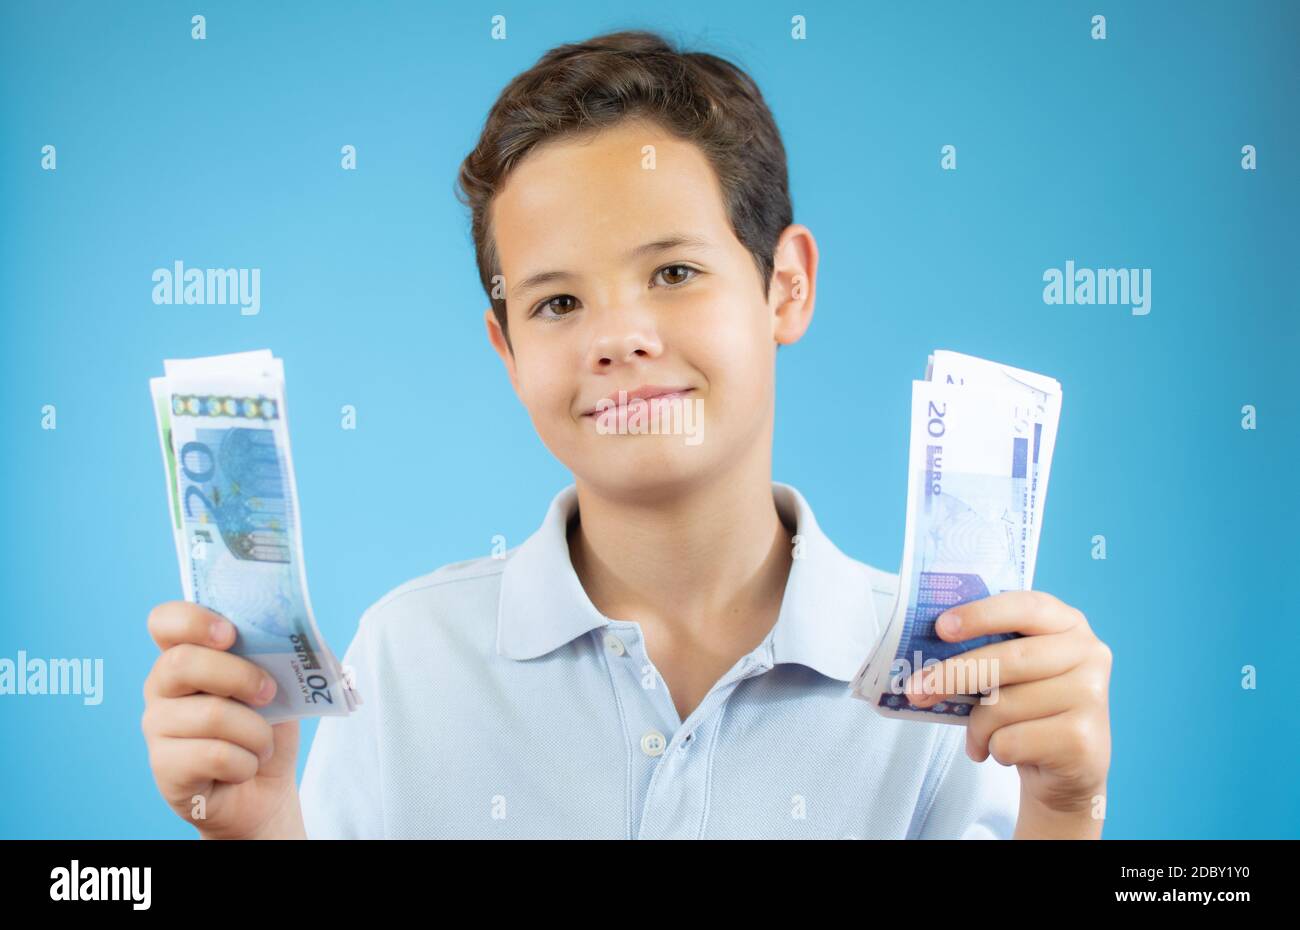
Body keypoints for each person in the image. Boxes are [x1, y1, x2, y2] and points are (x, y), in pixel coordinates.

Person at [141, 29, 1112, 839]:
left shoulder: (946, 686)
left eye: (674, 273)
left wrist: (1063, 813)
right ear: (507, 346)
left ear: (786, 284)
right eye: (558, 301)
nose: (616, 339)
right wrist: (260, 829)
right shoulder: (406, 660)